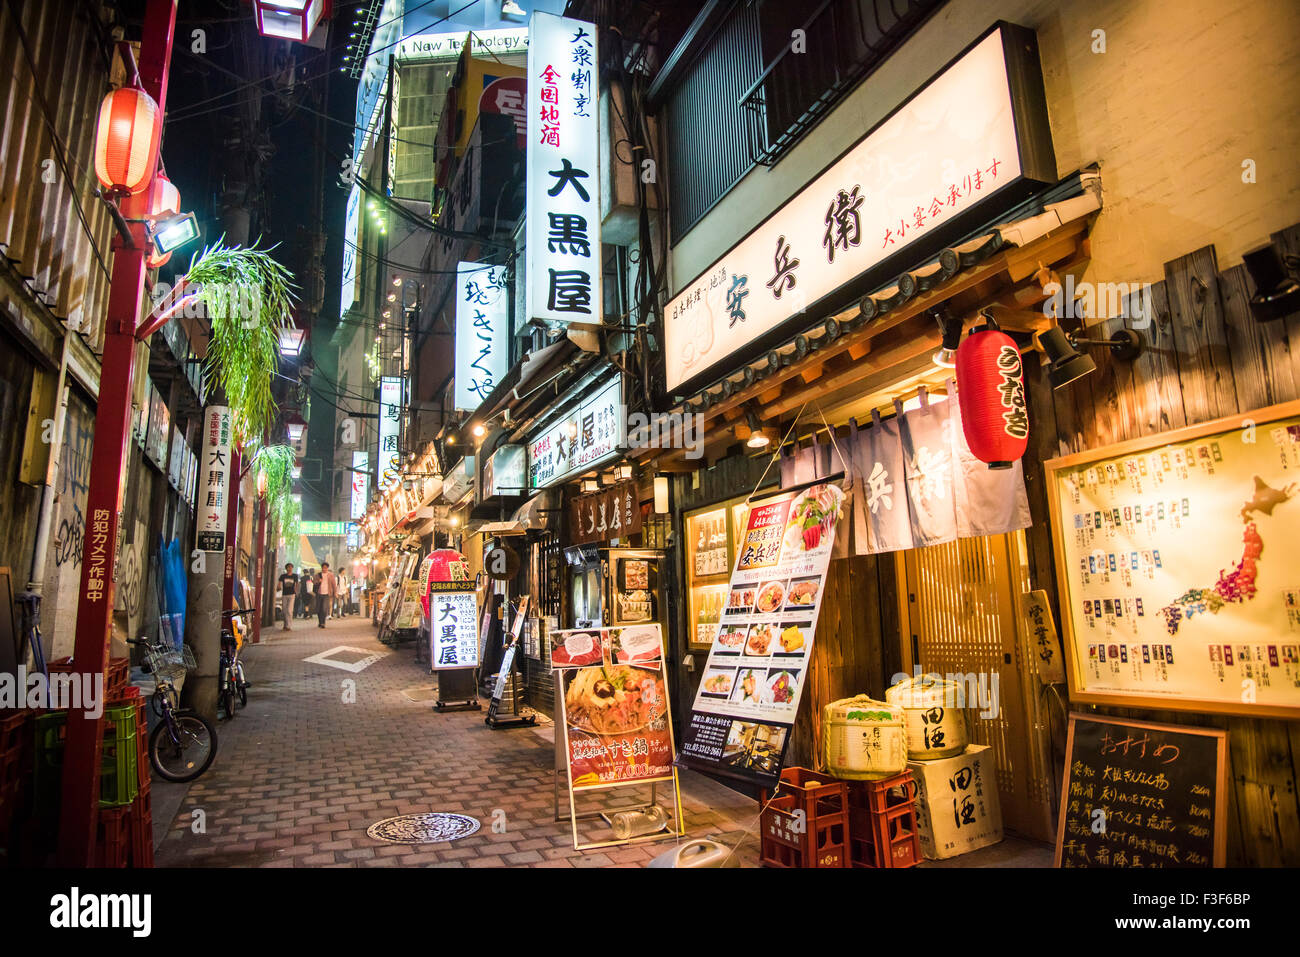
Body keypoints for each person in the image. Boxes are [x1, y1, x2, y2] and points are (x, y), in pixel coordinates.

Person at [277, 562, 299, 631]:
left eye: (291, 567)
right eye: (288, 567)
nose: (289, 568)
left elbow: (296, 585)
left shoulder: (295, 576)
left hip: (292, 594)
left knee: (289, 610)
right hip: (284, 595)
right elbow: (279, 584)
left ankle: (288, 626)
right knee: (284, 610)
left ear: (292, 568)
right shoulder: (283, 576)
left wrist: (296, 592)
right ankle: (285, 624)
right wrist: (278, 587)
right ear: (286, 569)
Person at [317, 562, 338, 628]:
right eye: (323, 568)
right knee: (319, 609)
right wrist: (318, 581)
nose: (324, 569)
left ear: (327, 568)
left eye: (326, 568)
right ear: (322, 568)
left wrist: (335, 592)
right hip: (319, 593)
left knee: (324, 608)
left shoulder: (330, 575)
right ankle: (320, 622)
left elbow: (334, 584)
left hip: (327, 594)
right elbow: (314, 583)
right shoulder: (318, 575)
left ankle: (323, 623)